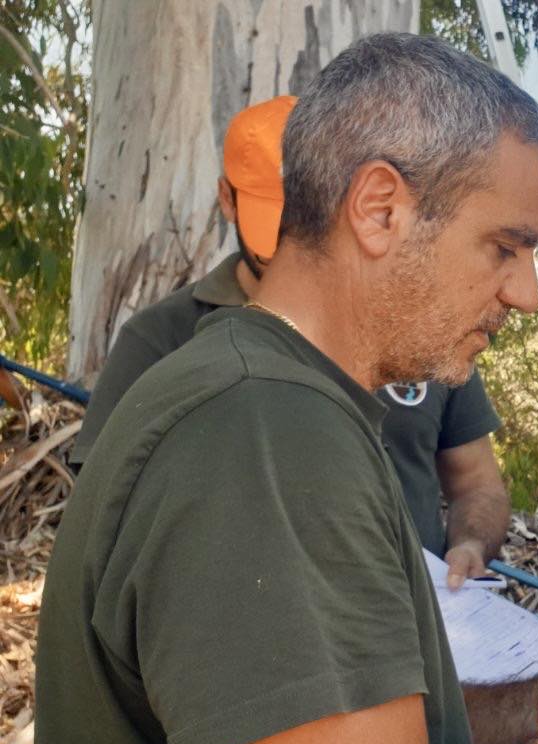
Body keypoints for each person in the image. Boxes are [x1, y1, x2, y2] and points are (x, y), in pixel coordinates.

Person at [35, 33, 538, 744]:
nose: (524, 295)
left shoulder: (274, 398)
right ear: (380, 210)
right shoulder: (270, 432)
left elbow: (363, 726)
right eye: (503, 248)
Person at [69, 95, 509, 589]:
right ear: (227, 198)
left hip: (417, 615)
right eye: (274, 222)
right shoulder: (162, 340)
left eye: (309, 222)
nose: (291, 249)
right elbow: (106, 513)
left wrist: (468, 545)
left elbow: (478, 483)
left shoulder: (418, 329)